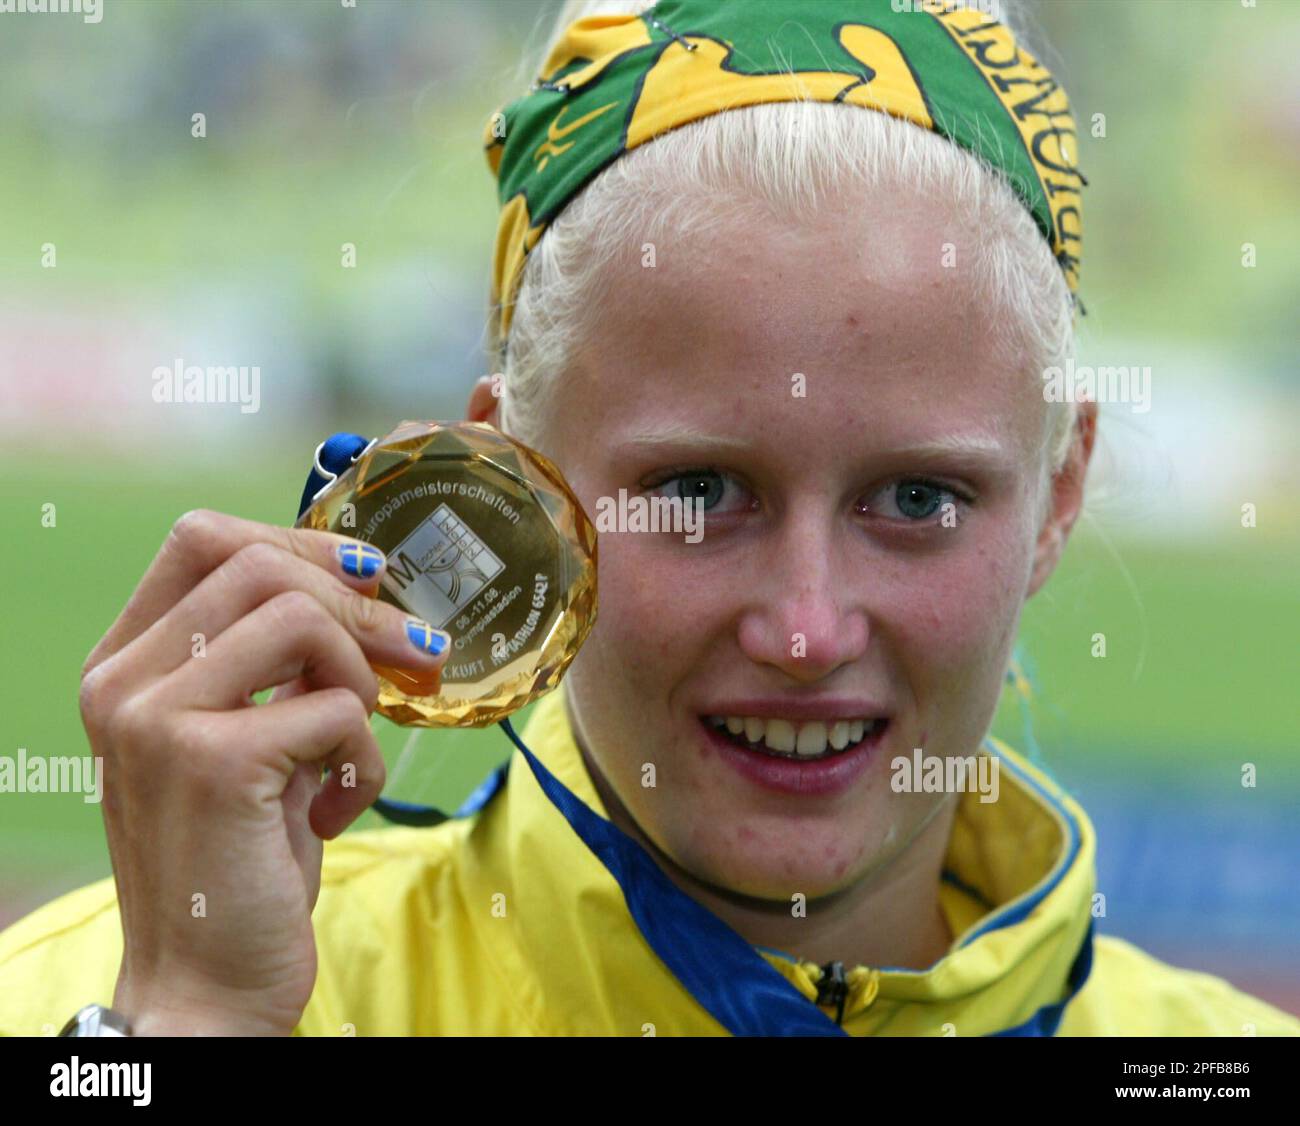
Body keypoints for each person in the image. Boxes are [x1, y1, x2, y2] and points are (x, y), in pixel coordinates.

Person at [1, 0, 1296, 1037]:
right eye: (697, 492)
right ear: (508, 476)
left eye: (918, 499)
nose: (803, 630)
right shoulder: (87, 1010)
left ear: (1060, 495)